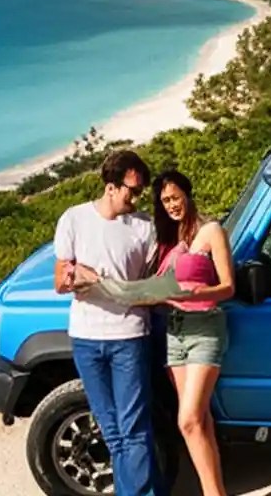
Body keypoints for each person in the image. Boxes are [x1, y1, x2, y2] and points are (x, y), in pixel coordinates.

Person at [53, 149, 163, 496]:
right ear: (111, 187)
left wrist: (108, 283)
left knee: (134, 430)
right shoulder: (74, 219)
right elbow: (60, 280)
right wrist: (77, 275)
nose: (137, 196)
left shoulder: (145, 227)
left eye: (141, 189)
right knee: (112, 432)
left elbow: (152, 284)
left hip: (129, 336)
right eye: (132, 188)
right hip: (86, 338)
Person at [150, 169, 234, 496]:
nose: (172, 205)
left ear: (187, 192)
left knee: (187, 420)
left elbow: (227, 287)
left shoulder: (212, 231)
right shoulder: (168, 240)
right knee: (200, 422)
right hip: (174, 330)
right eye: (165, 201)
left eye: (175, 197)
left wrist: (193, 294)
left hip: (205, 327)